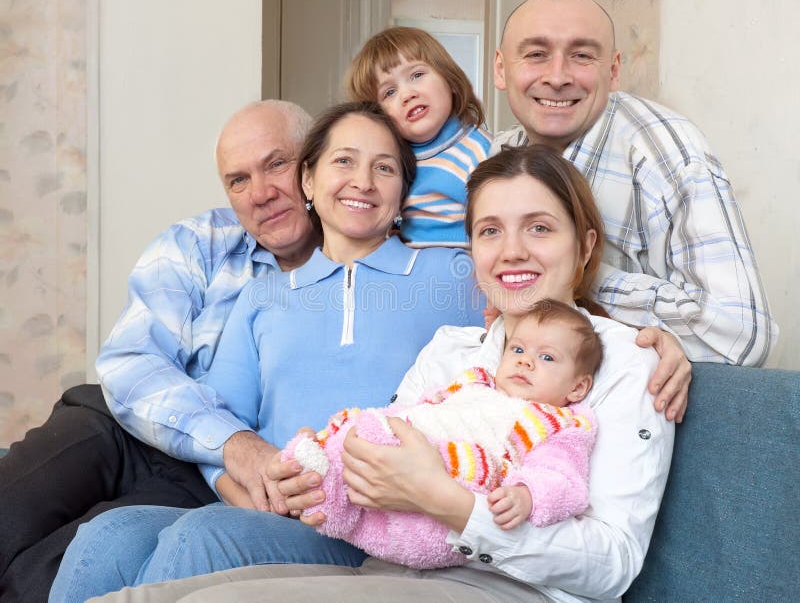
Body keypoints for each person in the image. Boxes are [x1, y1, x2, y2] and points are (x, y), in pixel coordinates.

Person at [81, 145, 675, 603]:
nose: (512, 250)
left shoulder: (628, 363)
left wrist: (446, 502)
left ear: (586, 243)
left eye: (539, 228)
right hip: (390, 564)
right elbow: (376, 445)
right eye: (490, 230)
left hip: (503, 587)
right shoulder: (453, 350)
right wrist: (318, 471)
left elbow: (615, 561)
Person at [49, 102, 486, 602]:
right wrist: (248, 493)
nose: (362, 181)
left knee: (204, 534)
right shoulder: (264, 296)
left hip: (373, 524)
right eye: (343, 161)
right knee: (108, 535)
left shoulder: (455, 279)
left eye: (384, 167)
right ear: (308, 182)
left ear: (402, 192)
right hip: (276, 511)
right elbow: (223, 426)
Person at [0, 100, 323, 603]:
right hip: (120, 426)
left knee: (51, 575)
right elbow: (132, 361)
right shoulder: (201, 241)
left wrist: (237, 460)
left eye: (276, 164)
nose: (261, 193)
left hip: (206, 481)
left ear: (315, 163)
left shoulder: (356, 277)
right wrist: (234, 442)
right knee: (8, 508)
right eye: (238, 180)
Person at [492, 0, 778, 387]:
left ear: (612, 70)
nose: (557, 77)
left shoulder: (668, 153)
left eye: (582, 55)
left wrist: (575, 278)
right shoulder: (496, 156)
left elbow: (743, 334)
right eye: (536, 54)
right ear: (501, 69)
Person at [283, 299, 602, 569]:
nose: (525, 361)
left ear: (577, 387)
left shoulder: (555, 424)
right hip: (409, 452)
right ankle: (323, 485)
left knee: (370, 439)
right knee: (357, 434)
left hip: (456, 486)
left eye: (546, 357)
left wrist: (527, 495)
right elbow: (424, 409)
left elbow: (562, 478)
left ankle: (336, 482)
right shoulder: (475, 383)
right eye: (517, 349)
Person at [347, 26, 492, 247]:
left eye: (417, 75)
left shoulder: (482, 152)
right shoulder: (389, 161)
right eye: (390, 92)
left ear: (449, 80)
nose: (407, 94)